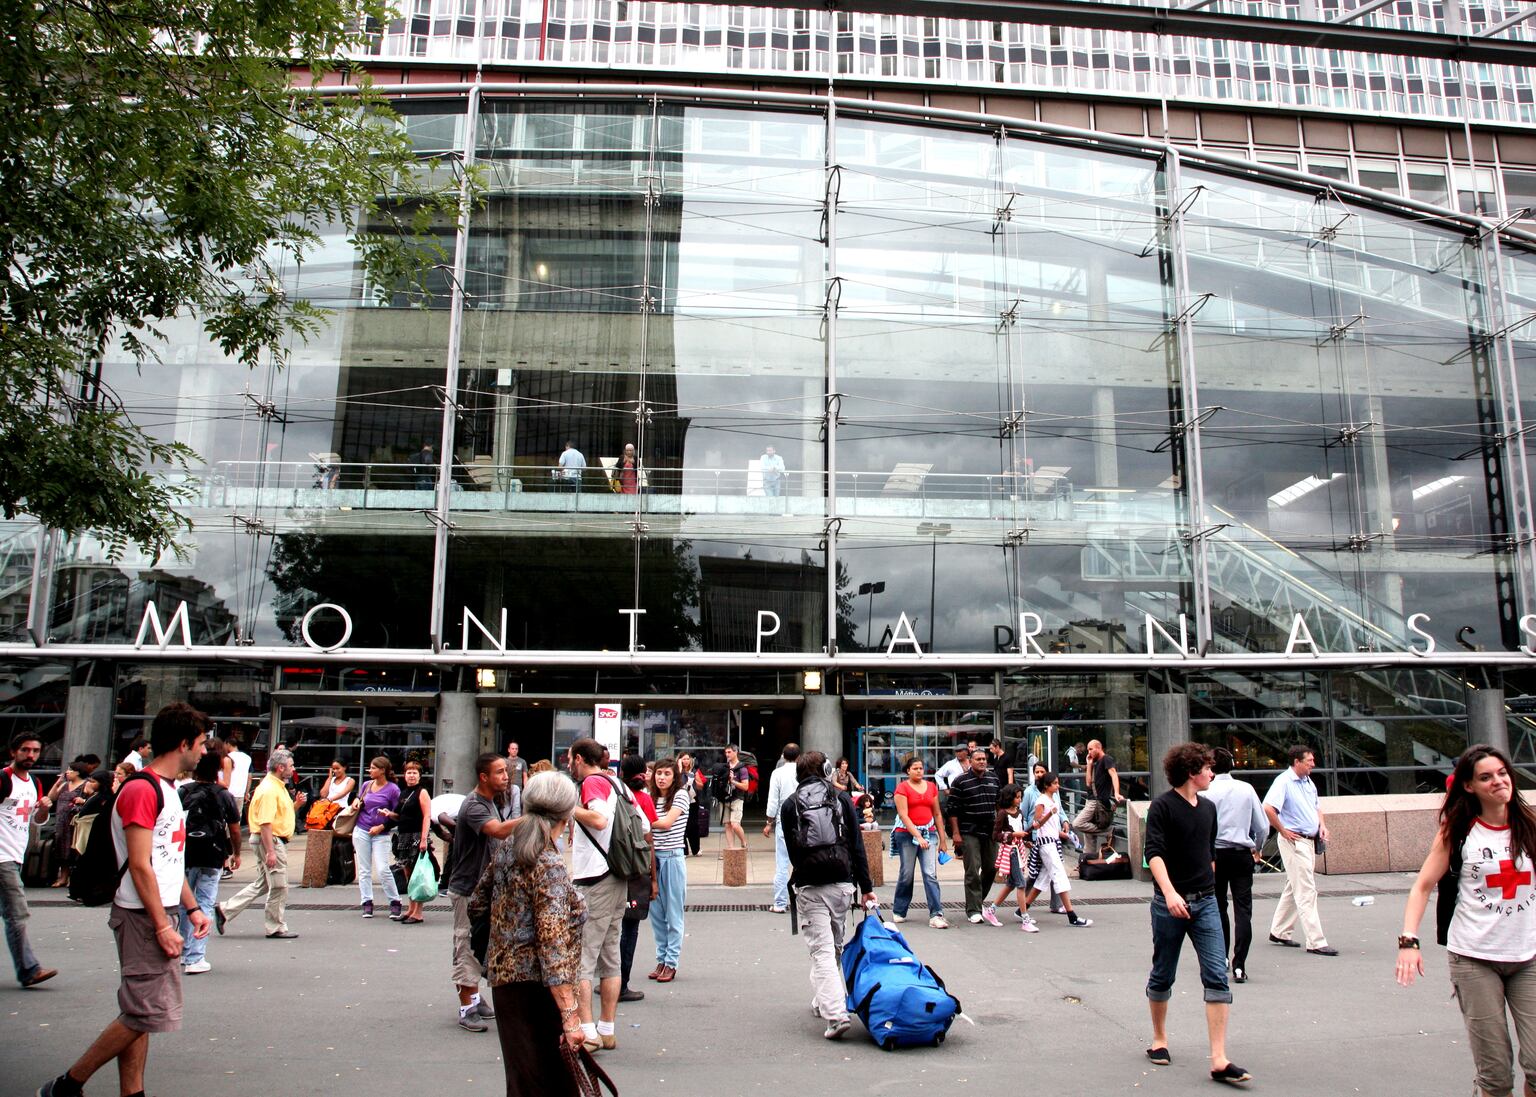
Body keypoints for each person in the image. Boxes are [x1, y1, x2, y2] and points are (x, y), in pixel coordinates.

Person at [37, 704, 210, 1097]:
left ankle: (131, 1092)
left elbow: (169, 859)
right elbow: (139, 864)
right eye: (199, 744)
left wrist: (192, 907)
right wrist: (164, 925)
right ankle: (67, 1085)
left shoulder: (167, 790)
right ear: (183, 743)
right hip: (141, 914)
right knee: (146, 1011)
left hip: (154, 910)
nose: (203, 752)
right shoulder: (141, 789)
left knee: (139, 1009)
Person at [1397, 744, 1536, 1097]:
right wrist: (1409, 942)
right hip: (1475, 958)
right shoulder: (1458, 832)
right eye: (1486, 777)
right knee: (1495, 1074)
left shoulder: (1530, 826)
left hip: (1528, 956)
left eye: (1502, 773)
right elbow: (1422, 887)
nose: (1498, 781)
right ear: (1470, 786)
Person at [469, 771, 586, 1097]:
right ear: (567, 812)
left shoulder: (510, 847)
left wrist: (503, 941)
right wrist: (570, 1015)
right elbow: (551, 943)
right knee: (550, 1083)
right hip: (540, 989)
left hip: (506, 982)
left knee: (523, 1080)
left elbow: (477, 904)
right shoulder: (548, 862)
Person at [1143, 742, 1250, 1085]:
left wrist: (1212, 890)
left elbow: (1209, 853)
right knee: (1163, 973)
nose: (1212, 773)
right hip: (1169, 904)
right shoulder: (1162, 807)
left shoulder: (1209, 808)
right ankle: (1159, 1039)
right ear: (1191, 772)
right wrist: (1171, 893)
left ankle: (1219, 1058)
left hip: (1205, 902)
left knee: (1217, 975)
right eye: (1206, 768)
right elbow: (1154, 854)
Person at [780, 749, 876, 1040]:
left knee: (821, 951)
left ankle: (835, 1014)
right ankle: (825, 1000)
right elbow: (857, 846)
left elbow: (794, 853)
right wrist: (867, 887)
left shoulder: (790, 805)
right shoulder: (842, 798)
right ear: (825, 770)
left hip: (810, 885)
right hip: (842, 884)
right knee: (833, 947)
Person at [569, 736, 648, 1052]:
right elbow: (643, 827)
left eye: (570, 760)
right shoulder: (621, 785)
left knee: (584, 958)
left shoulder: (592, 784)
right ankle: (608, 1029)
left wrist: (569, 809)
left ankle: (588, 1032)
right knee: (610, 955)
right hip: (618, 876)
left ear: (578, 759)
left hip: (595, 878)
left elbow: (599, 819)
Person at [445, 752, 520, 1033]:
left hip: (482, 889)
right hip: (468, 888)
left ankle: (475, 998)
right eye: (500, 771)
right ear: (483, 777)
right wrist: (532, 817)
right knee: (466, 944)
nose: (505, 776)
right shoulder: (475, 805)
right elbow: (498, 831)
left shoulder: (490, 802)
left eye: (506, 771)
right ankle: (467, 1007)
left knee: (481, 944)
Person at [215, 749, 305, 940]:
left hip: (270, 839)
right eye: (290, 766)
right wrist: (271, 851)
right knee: (279, 885)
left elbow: (279, 813)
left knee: (263, 883)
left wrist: (296, 805)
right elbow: (265, 822)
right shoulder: (270, 789)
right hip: (271, 840)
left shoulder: (275, 785)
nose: (293, 769)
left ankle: (225, 910)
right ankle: (275, 926)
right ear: (280, 768)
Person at [1200, 748, 1269, 984]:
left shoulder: (1207, 792)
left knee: (1217, 907)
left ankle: (1222, 958)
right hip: (1241, 853)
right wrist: (1257, 847)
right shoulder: (1246, 789)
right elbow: (1262, 827)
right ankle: (1240, 964)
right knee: (1243, 910)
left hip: (1215, 855)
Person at [1262, 744, 1335, 955]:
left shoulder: (1307, 781)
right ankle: (1316, 941)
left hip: (1307, 840)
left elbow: (1316, 806)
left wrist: (1322, 825)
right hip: (1295, 841)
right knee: (1306, 890)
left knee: (1295, 886)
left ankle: (1280, 931)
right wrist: (1283, 831)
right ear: (1296, 762)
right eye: (1309, 761)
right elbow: (1268, 807)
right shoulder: (1284, 782)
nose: (1313, 764)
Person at [178, 748, 241, 974]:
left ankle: (185, 952)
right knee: (204, 900)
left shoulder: (184, 791)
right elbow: (234, 828)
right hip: (212, 852)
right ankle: (196, 956)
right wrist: (236, 853)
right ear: (217, 770)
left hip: (185, 852)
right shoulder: (223, 795)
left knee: (185, 902)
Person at [2, 732, 57, 987]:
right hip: (2, 858)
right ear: (14, 751)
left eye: (35, 751)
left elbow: (34, 819)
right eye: (25, 750)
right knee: (17, 913)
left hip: (15, 855)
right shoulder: (4, 779)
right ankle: (28, 969)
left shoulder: (34, 782)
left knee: (13, 913)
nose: (31, 755)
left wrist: (44, 808)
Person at [1017, 771, 1093, 931]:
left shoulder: (1052, 800)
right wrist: (1049, 814)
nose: (1058, 786)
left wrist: (1065, 834)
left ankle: (1022, 909)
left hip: (1052, 841)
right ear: (1047, 785)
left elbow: (1051, 826)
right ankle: (1072, 916)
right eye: (1055, 783)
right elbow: (1037, 823)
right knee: (1060, 877)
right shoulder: (1042, 800)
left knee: (1044, 879)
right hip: (1046, 844)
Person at [891, 754, 950, 929]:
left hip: (929, 832)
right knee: (907, 873)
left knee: (930, 874)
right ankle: (899, 909)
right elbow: (903, 815)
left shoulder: (931, 787)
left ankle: (936, 914)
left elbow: (937, 814)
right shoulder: (902, 788)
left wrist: (942, 839)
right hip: (906, 834)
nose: (919, 771)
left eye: (921, 768)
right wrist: (917, 835)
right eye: (915, 768)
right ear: (908, 771)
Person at [617, 754, 656, 1004]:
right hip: (636, 873)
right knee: (629, 929)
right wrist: (654, 879)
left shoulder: (615, 796)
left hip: (611, 871)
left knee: (611, 930)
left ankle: (606, 981)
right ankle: (621, 984)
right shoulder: (643, 799)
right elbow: (649, 842)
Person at [947, 748, 1000, 925]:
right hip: (969, 831)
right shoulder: (960, 781)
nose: (982, 762)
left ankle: (977, 900)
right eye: (978, 759)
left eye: (984, 759)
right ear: (970, 761)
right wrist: (955, 833)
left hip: (991, 831)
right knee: (972, 870)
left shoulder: (993, 778)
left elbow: (999, 805)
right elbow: (952, 810)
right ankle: (974, 910)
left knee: (992, 868)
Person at [648, 758, 691, 983]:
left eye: (667, 773)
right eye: (659, 773)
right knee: (656, 914)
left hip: (672, 857)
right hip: (653, 859)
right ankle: (661, 958)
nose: (662, 777)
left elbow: (666, 823)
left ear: (675, 777)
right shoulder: (650, 797)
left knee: (674, 914)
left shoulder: (681, 795)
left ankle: (671, 962)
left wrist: (643, 820)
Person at [353, 755, 402, 920]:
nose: (370, 770)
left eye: (373, 768)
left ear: (382, 771)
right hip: (362, 830)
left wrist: (382, 826)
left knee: (383, 869)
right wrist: (355, 803)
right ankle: (367, 902)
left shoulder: (393, 789)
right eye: (370, 767)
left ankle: (395, 901)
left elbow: (397, 815)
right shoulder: (367, 785)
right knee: (364, 870)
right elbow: (359, 800)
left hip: (380, 834)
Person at [392, 759, 433, 925]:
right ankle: (410, 908)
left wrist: (423, 839)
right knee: (408, 874)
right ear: (404, 775)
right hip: (404, 836)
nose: (411, 776)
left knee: (417, 875)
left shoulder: (422, 792)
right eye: (409, 772)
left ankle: (418, 912)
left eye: (414, 773)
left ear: (419, 776)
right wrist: (388, 814)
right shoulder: (403, 793)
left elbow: (427, 816)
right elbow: (399, 815)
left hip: (417, 837)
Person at [763, 743, 802, 914]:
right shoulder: (804, 771)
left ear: (783, 756)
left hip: (784, 821)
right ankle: (805, 900)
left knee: (782, 863)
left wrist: (769, 821)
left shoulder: (777, 773)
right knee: (803, 861)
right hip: (804, 821)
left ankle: (780, 903)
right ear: (799, 756)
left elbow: (773, 801)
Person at [1074, 739, 1124, 861]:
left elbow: (1114, 774)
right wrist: (1089, 764)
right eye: (1088, 750)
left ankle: (1108, 831)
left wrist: (1117, 792)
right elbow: (1088, 783)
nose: (1089, 752)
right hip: (1091, 799)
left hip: (1097, 801)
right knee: (1089, 836)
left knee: (1077, 823)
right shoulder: (1095, 762)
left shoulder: (1106, 759)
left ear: (1098, 748)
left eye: (1091, 749)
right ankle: (1087, 861)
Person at [987, 783, 1028, 926]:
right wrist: (1013, 835)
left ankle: (991, 910)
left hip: (1018, 848)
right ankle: (1025, 918)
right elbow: (995, 835)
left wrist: (1024, 839)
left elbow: (1021, 831)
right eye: (1017, 797)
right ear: (1009, 797)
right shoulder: (1003, 813)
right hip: (1010, 851)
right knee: (1021, 884)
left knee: (1011, 883)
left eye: (1020, 797)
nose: (1019, 800)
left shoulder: (1020, 812)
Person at [47, 759, 88, 888]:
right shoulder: (65, 785)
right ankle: (63, 877)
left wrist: (82, 801)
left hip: (74, 821)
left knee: (74, 849)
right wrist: (58, 782)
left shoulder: (85, 784)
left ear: (78, 772)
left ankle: (73, 877)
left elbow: (90, 798)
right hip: (61, 821)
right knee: (61, 848)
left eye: (71, 770)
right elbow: (51, 797)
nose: (68, 772)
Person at [720, 744, 750, 851]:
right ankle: (731, 849)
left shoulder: (742, 769)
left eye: (729, 752)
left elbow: (746, 786)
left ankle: (743, 841)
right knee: (727, 825)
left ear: (735, 752)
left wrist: (733, 781)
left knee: (735, 824)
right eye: (726, 752)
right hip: (724, 799)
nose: (727, 754)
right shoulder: (724, 767)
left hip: (737, 798)